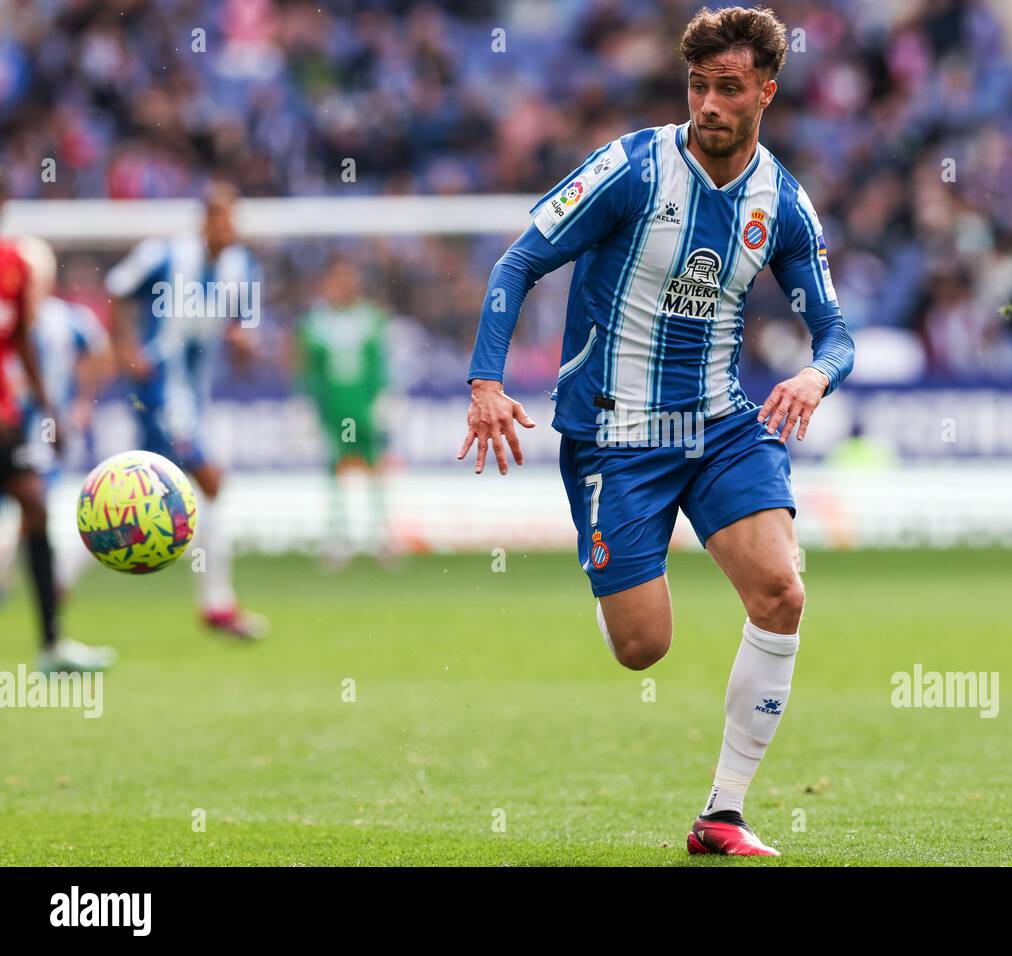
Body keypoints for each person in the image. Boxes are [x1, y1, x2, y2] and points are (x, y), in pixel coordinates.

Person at [459, 6, 854, 856]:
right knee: (643, 648)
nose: (708, 103)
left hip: (719, 427)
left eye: (729, 88)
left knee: (782, 591)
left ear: (766, 94)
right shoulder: (630, 169)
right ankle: (611, 567)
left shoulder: (781, 202)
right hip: (615, 436)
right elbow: (517, 261)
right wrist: (485, 380)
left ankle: (724, 812)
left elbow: (837, 332)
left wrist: (816, 375)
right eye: (698, 86)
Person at [105, 181, 268, 639]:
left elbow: (243, 325)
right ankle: (217, 605)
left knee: (132, 484)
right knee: (210, 480)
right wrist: (126, 348)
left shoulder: (242, 267)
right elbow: (117, 288)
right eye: (218, 218)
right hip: (159, 389)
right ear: (204, 222)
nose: (225, 227)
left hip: (194, 397)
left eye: (231, 219)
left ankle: (59, 578)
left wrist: (242, 341)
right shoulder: (165, 256)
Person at [0, 184, 115, 671]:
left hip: (4, 413)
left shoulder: (16, 264)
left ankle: (52, 646)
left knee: (35, 504)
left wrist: (50, 409)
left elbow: (20, 337)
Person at [297, 257, 392, 568]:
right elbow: (309, 369)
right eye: (337, 279)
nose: (343, 285)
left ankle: (380, 536)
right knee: (335, 469)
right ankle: (339, 538)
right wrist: (305, 406)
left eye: (347, 278)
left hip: (364, 407)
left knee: (375, 466)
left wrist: (385, 399)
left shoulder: (371, 319)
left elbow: (380, 364)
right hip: (334, 410)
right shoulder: (315, 323)